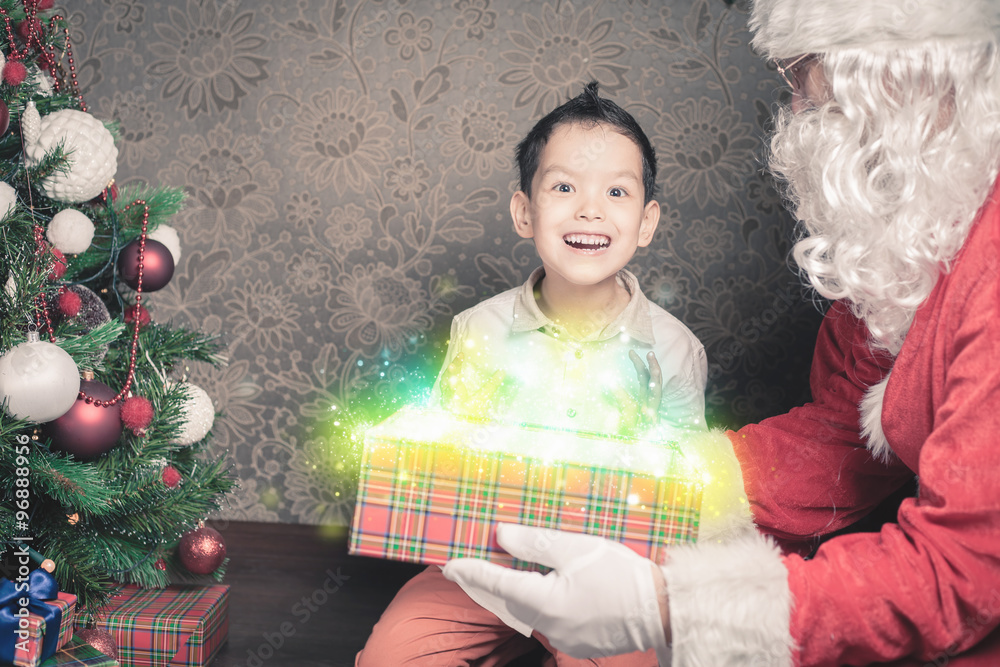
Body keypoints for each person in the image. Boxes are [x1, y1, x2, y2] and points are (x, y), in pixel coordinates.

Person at [443, 0, 1000, 665]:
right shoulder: (913, 228)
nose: (792, 110)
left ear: (894, 77)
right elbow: (847, 431)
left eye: (802, 76)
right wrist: (651, 481)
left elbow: (963, 570)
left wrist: (670, 603)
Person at [356, 82, 714, 666]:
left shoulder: (675, 350)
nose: (590, 210)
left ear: (646, 222)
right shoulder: (479, 329)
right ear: (525, 211)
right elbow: (446, 454)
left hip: (606, 576)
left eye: (616, 191)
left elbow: (683, 488)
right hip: (482, 565)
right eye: (564, 187)